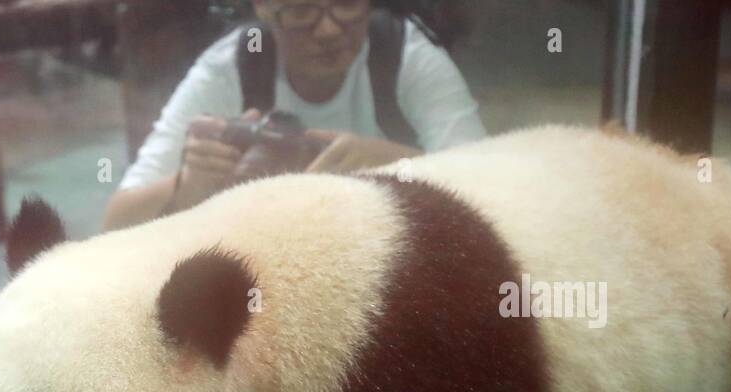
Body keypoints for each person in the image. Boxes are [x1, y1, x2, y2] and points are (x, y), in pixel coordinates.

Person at [103, 0, 486, 230]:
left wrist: (398, 166)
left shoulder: (404, 54)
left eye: (347, 4)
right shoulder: (232, 66)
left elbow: (495, 181)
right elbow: (116, 222)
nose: (329, 29)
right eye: (302, 9)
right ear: (263, 7)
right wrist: (187, 185)